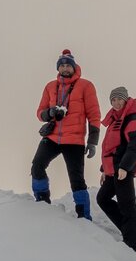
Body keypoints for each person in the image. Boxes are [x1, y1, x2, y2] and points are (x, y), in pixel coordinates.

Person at [31, 49, 101, 218]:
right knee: (37, 166)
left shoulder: (86, 85)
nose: (65, 68)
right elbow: (39, 112)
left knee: (76, 179)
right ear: (58, 68)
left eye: (68, 65)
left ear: (74, 67)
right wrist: (49, 113)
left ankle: (84, 216)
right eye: (61, 65)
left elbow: (94, 114)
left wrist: (92, 141)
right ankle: (42, 203)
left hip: (75, 140)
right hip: (53, 137)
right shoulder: (50, 86)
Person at [97, 86, 136, 251]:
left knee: (127, 205)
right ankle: (128, 231)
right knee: (102, 198)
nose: (116, 102)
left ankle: (134, 245)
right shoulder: (114, 120)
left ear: (126, 100)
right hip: (113, 170)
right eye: (113, 99)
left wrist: (125, 167)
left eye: (119, 99)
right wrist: (104, 169)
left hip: (124, 169)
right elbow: (109, 147)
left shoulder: (132, 119)